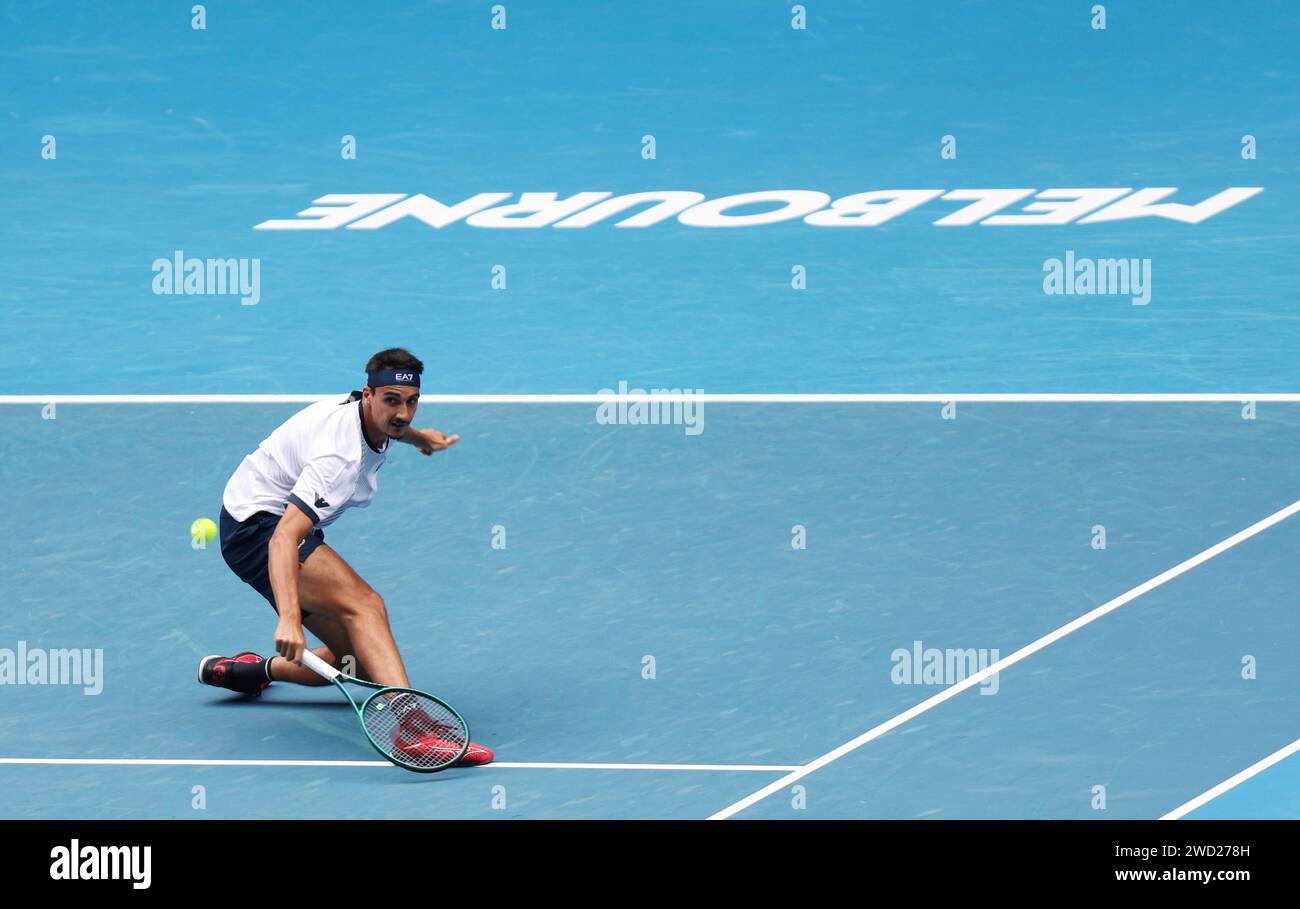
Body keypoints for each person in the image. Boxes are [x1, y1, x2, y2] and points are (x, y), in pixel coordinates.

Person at [199, 347, 493, 766]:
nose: (403, 413)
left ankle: (246, 671)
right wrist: (289, 617)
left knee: (355, 662)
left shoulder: (367, 412)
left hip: (259, 520)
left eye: (411, 402)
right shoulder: (339, 459)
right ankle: (412, 729)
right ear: (368, 394)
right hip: (259, 529)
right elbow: (284, 538)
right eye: (392, 400)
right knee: (364, 605)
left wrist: (417, 437)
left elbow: (391, 423)